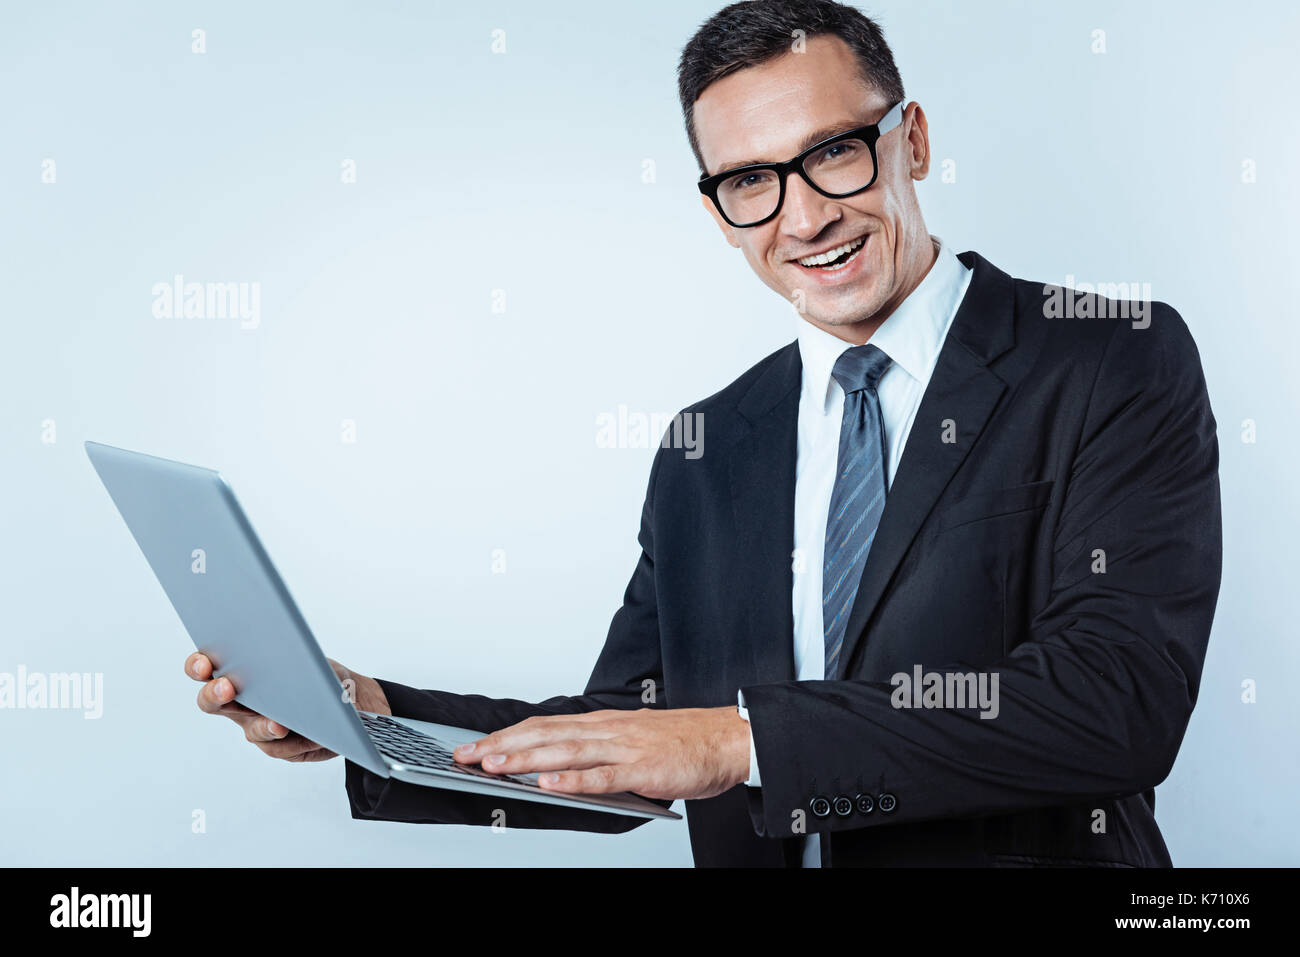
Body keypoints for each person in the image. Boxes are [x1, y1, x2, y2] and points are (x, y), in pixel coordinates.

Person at [187, 0, 1222, 867]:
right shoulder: (710, 442)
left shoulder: (1104, 358)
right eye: (750, 182)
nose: (802, 218)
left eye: (834, 156)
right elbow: (633, 736)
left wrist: (738, 742)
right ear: (719, 207)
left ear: (910, 138)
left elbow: (1113, 704)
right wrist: (373, 719)